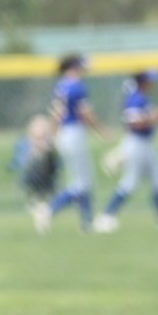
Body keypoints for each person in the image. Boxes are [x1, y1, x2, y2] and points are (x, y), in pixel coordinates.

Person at [92, 71, 158, 233]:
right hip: (136, 143)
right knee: (130, 182)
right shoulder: (135, 99)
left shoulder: (143, 97)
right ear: (143, 82)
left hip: (146, 144)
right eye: (150, 81)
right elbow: (134, 124)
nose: (153, 84)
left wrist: (156, 117)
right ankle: (106, 216)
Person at [34, 54, 106, 234]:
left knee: (85, 180)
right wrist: (100, 130)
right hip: (74, 133)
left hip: (65, 134)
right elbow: (85, 113)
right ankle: (49, 209)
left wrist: (50, 135)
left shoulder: (61, 86)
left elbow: (56, 115)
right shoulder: (77, 86)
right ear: (74, 67)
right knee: (81, 183)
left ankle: (87, 222)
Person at [12, 113, 60, 211]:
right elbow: (28, 158)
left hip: (48, 174)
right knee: (39, 163)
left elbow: (53, 154)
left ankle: (43, 201)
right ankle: (38, 200)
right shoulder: (28, 142)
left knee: (46, 160)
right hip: (33, 173)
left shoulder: (50, 142)